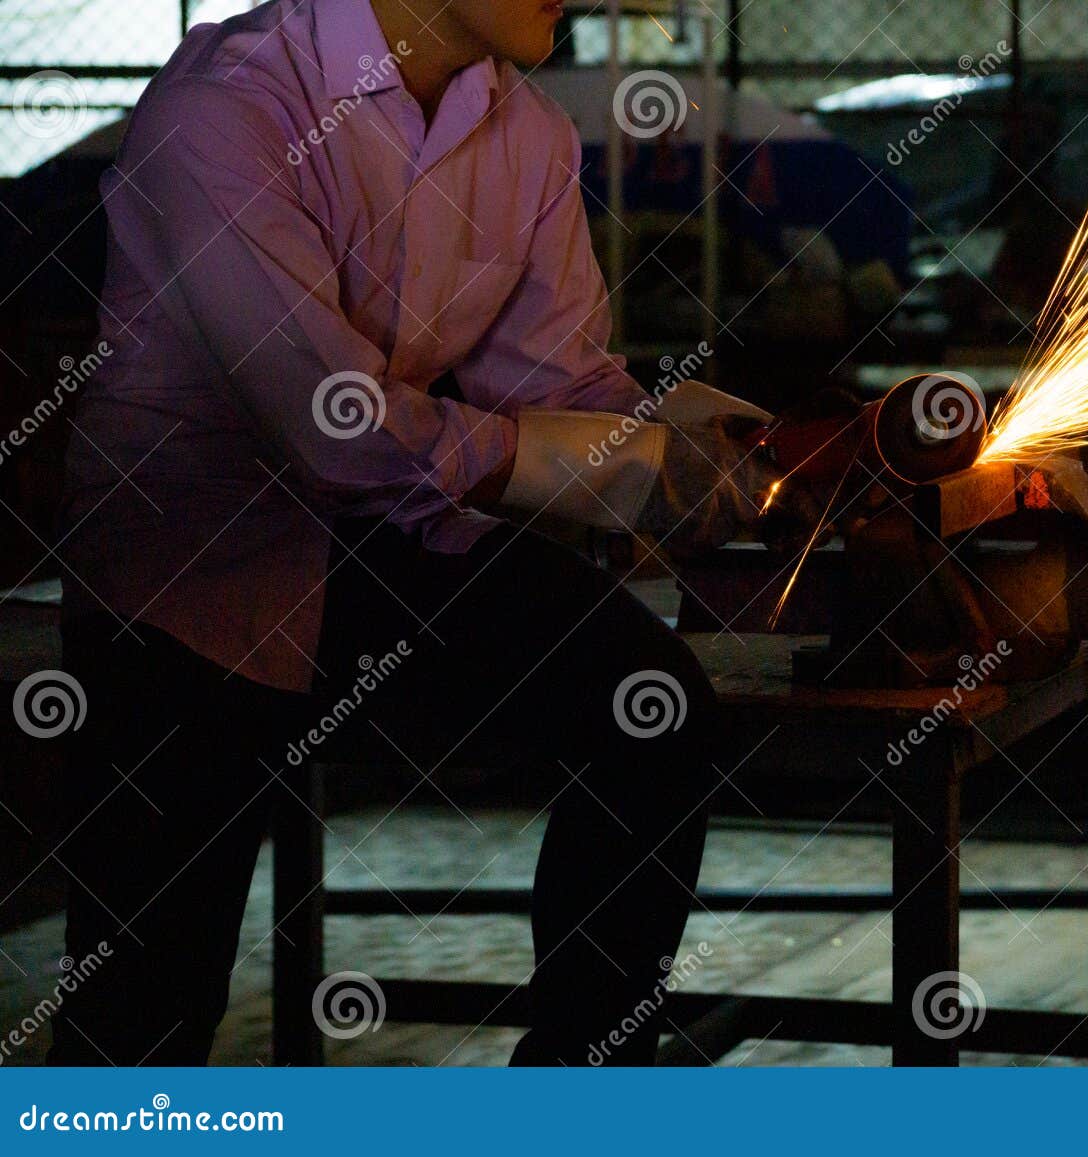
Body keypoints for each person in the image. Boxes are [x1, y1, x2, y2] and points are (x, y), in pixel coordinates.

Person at [48, 0, 782, 1066]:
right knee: (144, 1016)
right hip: (190, 575)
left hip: (384, 535)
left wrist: (740, 454)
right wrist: (612, 468)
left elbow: (555, 384)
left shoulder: (524, 132)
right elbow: (332, 425)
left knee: (650, 705)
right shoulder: (228, 104)